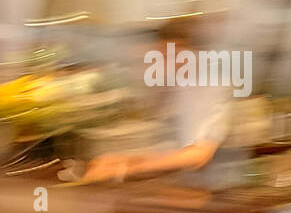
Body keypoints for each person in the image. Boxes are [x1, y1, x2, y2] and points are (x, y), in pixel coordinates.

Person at [77, 20, 231, 183]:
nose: (167, 62)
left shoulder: (212, 88)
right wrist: (124, 160)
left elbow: (198, 155)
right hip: (180, 183)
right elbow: (173, 149)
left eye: (173, 54)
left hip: (215, 190)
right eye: (163, 54)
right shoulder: (180, 86)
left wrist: (125, 168)